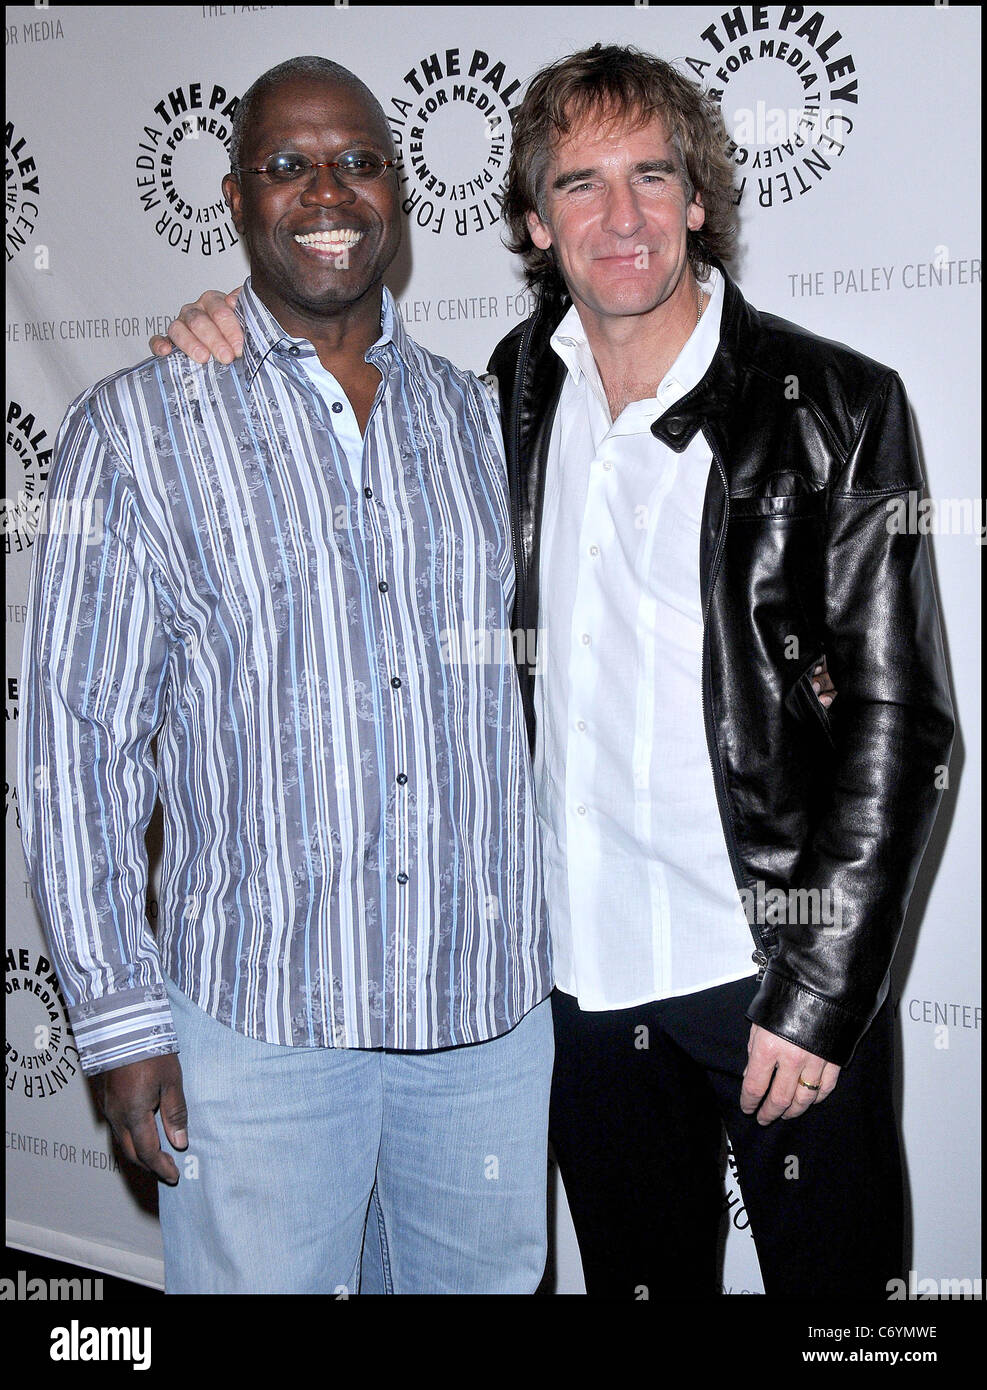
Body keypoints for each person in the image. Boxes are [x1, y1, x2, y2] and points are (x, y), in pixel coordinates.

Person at [154, 45, 952, 1299]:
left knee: (843, 1308)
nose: (621, 218)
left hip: (772, 965)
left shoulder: (834, 406)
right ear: (534, 220)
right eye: (581, 184)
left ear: (700, 199)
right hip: (574, 985)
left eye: (652, 177)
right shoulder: (502, 401)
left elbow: (901, 729)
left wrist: (823, 997)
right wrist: (219, 328)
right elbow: (323, 364)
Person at [19, 55, 553, 1296]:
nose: (328, 189)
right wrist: (117, 1019)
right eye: (288, 163)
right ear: (235, 194)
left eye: (359, 160)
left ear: (399, 190)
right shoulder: (139, 427)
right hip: (255, 1030)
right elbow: (76, 745)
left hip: (482, 1025)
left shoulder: (487, 424)